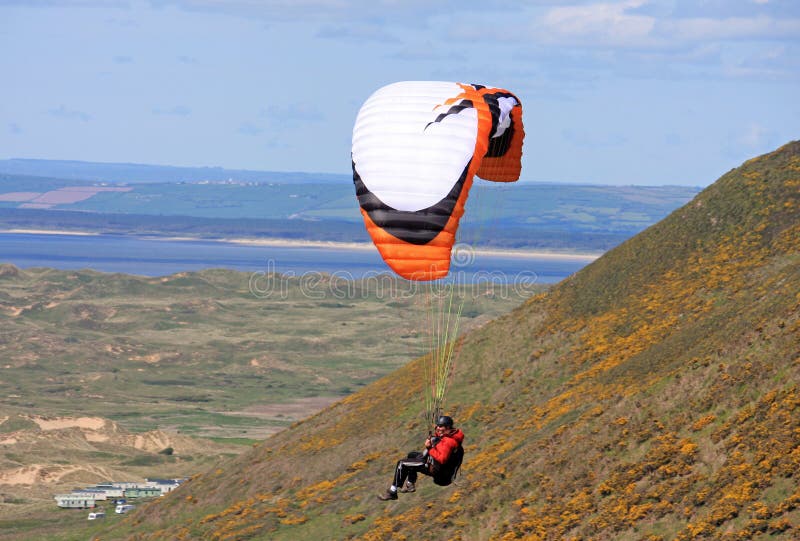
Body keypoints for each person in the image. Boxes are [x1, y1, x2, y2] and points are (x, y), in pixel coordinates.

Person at [378, 415, 465, 501]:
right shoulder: (452, 436)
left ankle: (392, 492)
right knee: (412, 455)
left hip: (438, 471)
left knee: (402, 463)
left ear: (447, 427)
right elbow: (441, 442)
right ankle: (410, 484)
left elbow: (442, 459)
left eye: (440, 426)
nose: (438, 428)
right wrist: (433, 437)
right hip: (443, 471)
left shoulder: (449, 442)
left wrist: (429, 448)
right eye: (437, 426)